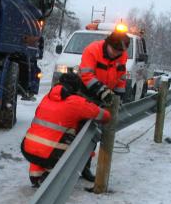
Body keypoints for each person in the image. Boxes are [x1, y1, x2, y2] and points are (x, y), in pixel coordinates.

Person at [20, 71, 111, 188]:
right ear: (76, 88)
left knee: (42, 140)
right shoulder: (76, 102)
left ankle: (35, 176)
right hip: (51, 155)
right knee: (69, 136)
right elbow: (104, 116)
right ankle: (49, 175)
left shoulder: (46, 98)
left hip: (27, 149)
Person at [77, 24, 129, 180]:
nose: (117, 55)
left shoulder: (121, 55)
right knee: (80, 132)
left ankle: (84, 167)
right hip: (86, 93)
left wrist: (118, 97)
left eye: (121, 52)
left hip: (105, 96)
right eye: (116, 51)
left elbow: (121, 78)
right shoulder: (92, 50)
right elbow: (86, 76)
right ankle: (71, 165)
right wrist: (103, 91)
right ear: (109, 44)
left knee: (94, 134)